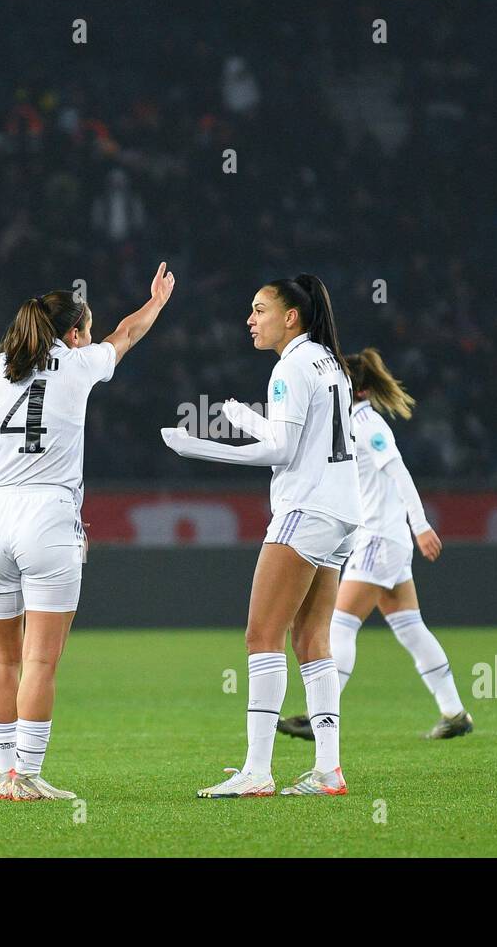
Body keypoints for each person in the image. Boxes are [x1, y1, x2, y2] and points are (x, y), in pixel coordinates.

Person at [0, 262, 176, 802]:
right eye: (87, 327)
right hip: (49, 517)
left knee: (1, 659)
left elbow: (32, 353)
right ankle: (29, 776)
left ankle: (0, 774)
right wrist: (154, 302)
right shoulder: (78, 365)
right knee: (40, 660)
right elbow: (126, 334)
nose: (93, 334)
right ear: (73, 335)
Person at [163, 274, 360, 798]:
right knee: (311, 641)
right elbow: (301, 438)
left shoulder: (289, 366)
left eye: (259, 310)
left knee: (261, 635)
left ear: (290, 316)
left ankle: (257, 770)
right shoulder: (329, 361)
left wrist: (198, 447)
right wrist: (246, 417)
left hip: (307, 509)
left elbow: (281, 453)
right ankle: (328, 769)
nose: (250, 320)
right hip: (343, 512)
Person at [277, 348, 472, 742]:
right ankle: (455, 713)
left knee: (339, 625)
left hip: (380, 539)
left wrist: (421, 526)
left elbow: (398, 472)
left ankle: (321, 718)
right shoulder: (347, 421)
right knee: (411, 628)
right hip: (384, 540)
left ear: (358, 389)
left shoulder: (368, 424)